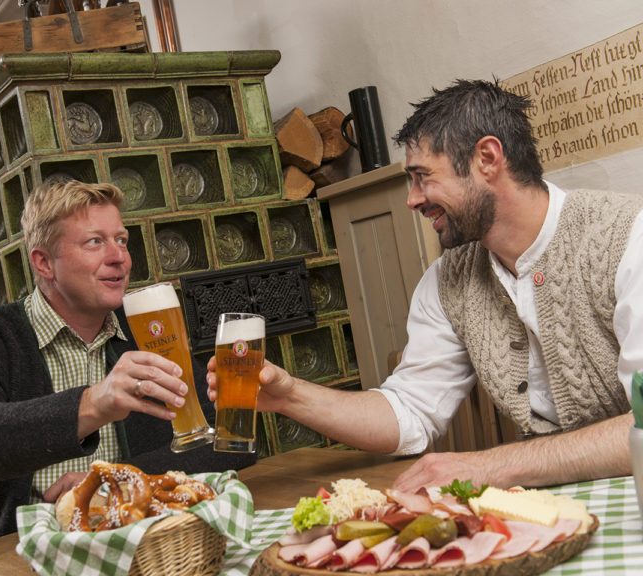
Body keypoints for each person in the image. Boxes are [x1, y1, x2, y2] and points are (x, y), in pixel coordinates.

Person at [208, 79, 642, 492]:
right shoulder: (448, 279)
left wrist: (491, 464)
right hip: (555, 507)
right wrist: (290, 396)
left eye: (422, 176)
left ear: (487, 158)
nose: (412, 199)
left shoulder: (627, 237)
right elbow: (409, 413)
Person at [0, 181, 254, 549]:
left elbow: (232, 440)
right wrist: (94, 402)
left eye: (121, 240)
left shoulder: (144, 328)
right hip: (15, 554)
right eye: (95, 242)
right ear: (44, 263)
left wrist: (111, 481)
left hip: (132, 547)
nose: (120, 256)